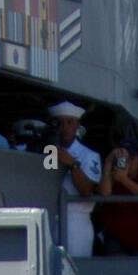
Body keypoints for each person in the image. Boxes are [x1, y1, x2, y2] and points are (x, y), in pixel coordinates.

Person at [48, 100, 102, 257]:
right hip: (50, 217)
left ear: (77, 125)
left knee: (76, 270)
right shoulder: (47, 152)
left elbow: (87, 191)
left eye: (70, 122)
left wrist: (72, 164)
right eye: (60, 122)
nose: (64, 127)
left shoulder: (89, 155)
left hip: (76, 221)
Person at [95, 136, 138, 256]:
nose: (127, 162)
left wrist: (124, 179)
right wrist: (108, 164)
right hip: (117, 235)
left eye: (131, 158)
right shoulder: (114, 169)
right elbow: (105, 193)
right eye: (124, 158)